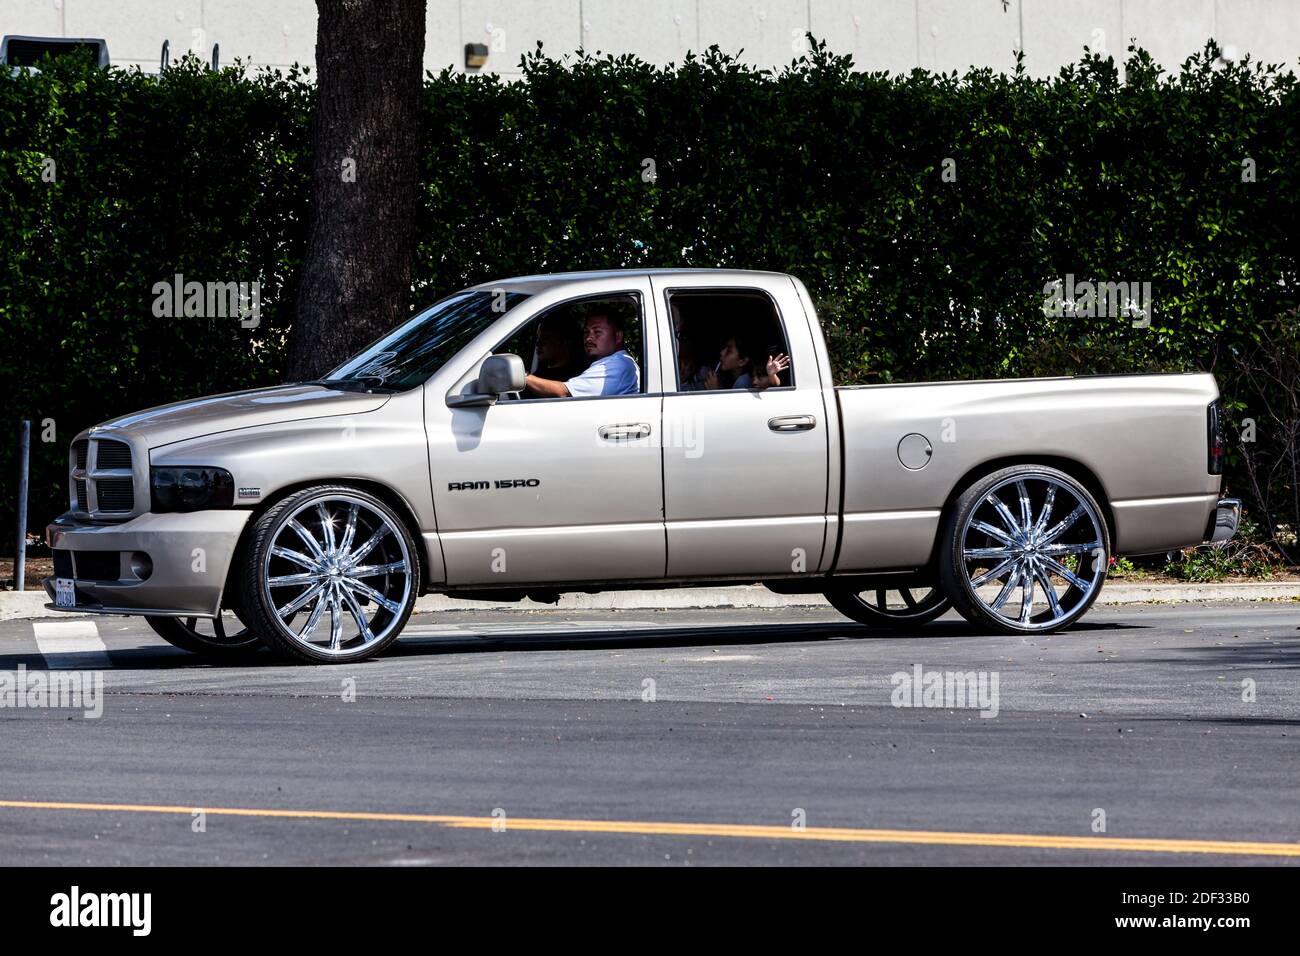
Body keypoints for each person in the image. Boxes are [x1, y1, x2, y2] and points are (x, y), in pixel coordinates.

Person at [525, 313, 639, 398]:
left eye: (597, 332)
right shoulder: (610, 363)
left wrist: (522, 377)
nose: (589, 338)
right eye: (586, 332)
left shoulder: (617, 366)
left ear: (618, 337)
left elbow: (563, 393)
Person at [702, 335, 790, 391]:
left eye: (729, 351)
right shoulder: (721, 377)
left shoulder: (743, 382)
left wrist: (715, 391)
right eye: (753, 376)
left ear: (742, 361)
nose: (722, 353)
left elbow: (775, 384)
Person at [530, 314, 587, 383]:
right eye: (538, 337)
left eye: (546, 338)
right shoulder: (540, 372)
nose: (538, 343)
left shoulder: (574, 380)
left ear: (565, 341)